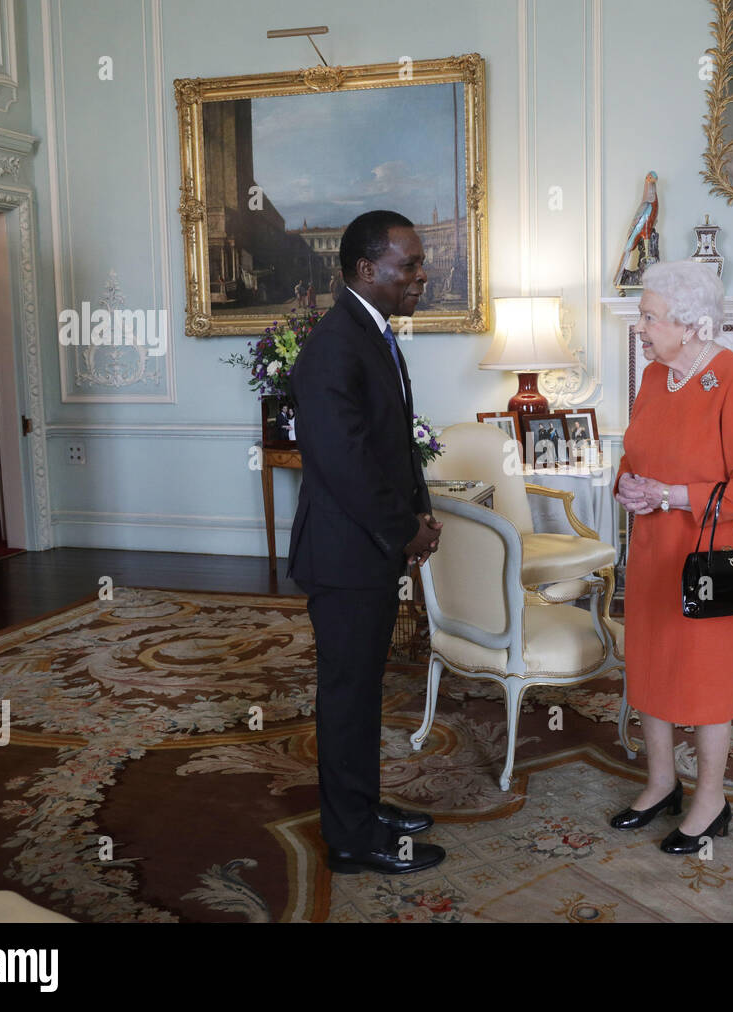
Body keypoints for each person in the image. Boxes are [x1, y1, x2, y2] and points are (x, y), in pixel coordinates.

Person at [287, 210, 445, 875]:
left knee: (362, 694)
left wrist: (420, 511)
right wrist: (406, 528)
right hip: (345, 557)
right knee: (348, 699)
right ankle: (351, 840)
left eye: (416, 263)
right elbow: (346, 462)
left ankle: (362, 807)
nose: (419, 274)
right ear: (364, 269)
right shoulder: (334, 345)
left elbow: (393, 445)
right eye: (406, 264)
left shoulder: (371, 333)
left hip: (368, 551)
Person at [612, 260, 733, 854]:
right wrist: (629, 485)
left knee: (706, 678)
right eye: (643, 316)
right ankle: (661, 783)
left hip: (713, 556)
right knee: (650, 664)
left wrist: (673, 495)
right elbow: (636, 455)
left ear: (690, 324)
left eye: (650, 317)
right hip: (655, 548)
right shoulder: (655, 378)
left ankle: (711, 799)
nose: (641, 327)